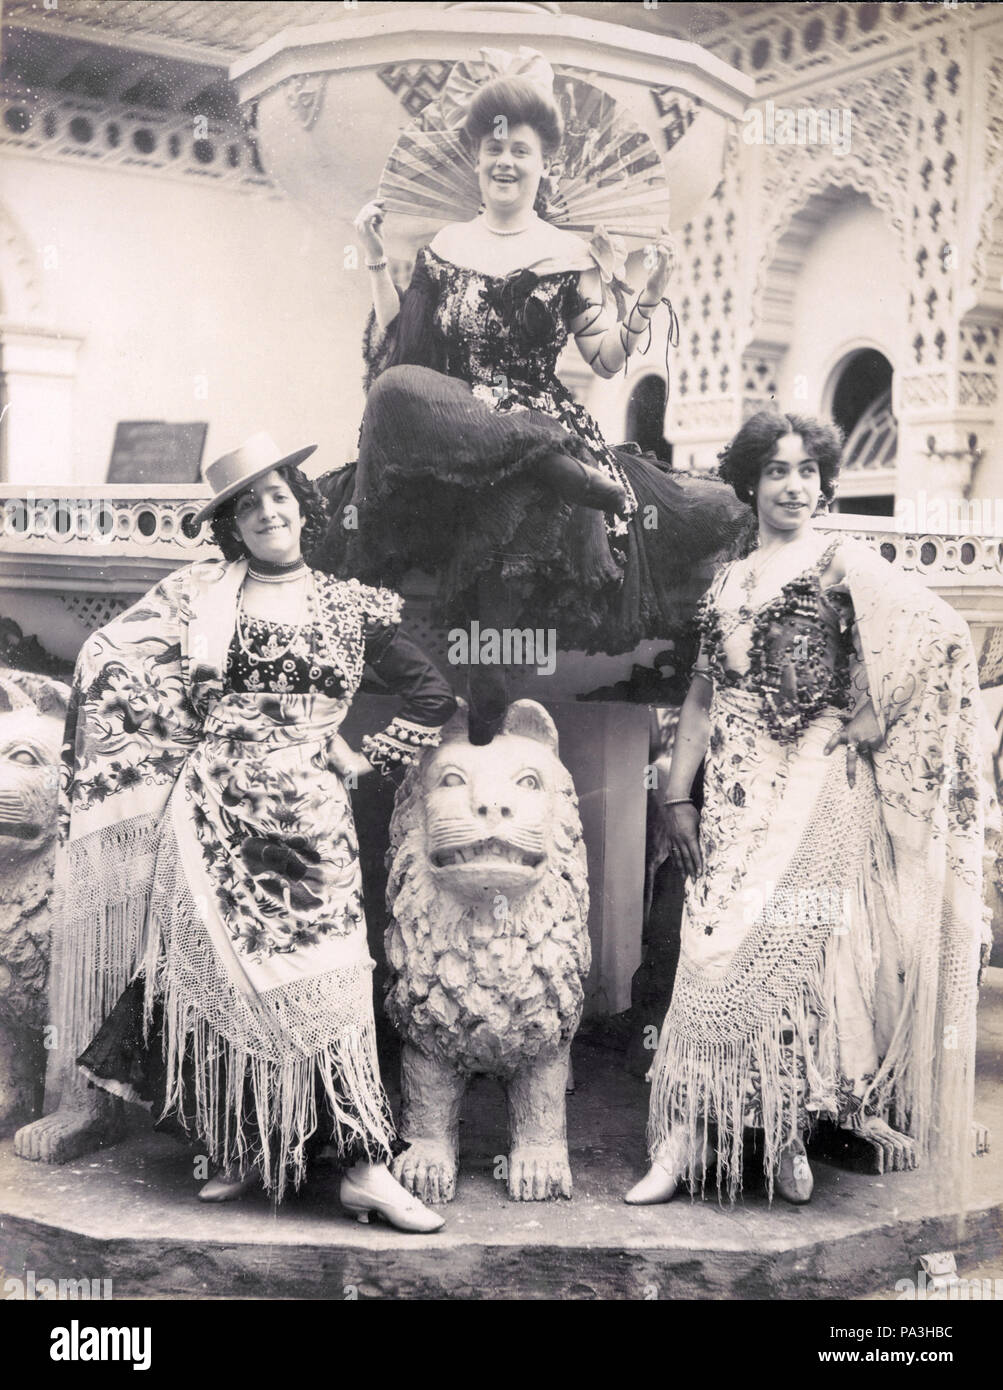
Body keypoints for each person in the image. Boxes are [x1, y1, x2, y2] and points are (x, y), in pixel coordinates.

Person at [64, 434, 456, 1229]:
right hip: (209, 818)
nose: (268, 510)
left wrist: (359, 757)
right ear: (231, 526)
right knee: (227, 991)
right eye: (249, 504)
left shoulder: (348, 606)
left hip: (310, 829)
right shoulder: (201, 601)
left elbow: (432, 695)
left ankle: (363, 1168)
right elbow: (113, 658)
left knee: (332, 989)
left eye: (278, 494)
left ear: (302, 505)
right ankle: (245, 1150)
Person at [317, 60, 745, 742]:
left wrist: (645, 290)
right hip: (459, 425)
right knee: (395, 392)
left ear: (546, 163)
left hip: (541, 417)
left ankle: (490, 669)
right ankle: (550, 464)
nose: (505, 161)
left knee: (509, 496)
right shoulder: (443, 247)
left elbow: (607, 358)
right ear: (476, 159)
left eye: (521, 150)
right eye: (494, 149)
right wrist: (373, 255)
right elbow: (400, 353)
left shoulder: (570, 255)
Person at [625, 409, 987, 1206]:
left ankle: (784, 1133)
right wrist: (677, 794)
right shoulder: (726, 581)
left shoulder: (840, 559)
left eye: (806, 472)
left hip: (815, 788)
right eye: (777, 471)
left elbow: (939, 634)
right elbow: (701, 696)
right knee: (708, 955)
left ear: (824, 482)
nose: (794, 486)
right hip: (731, 794)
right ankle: (684, 1137)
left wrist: (870, 718)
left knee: (795, 965)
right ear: (750, 482)